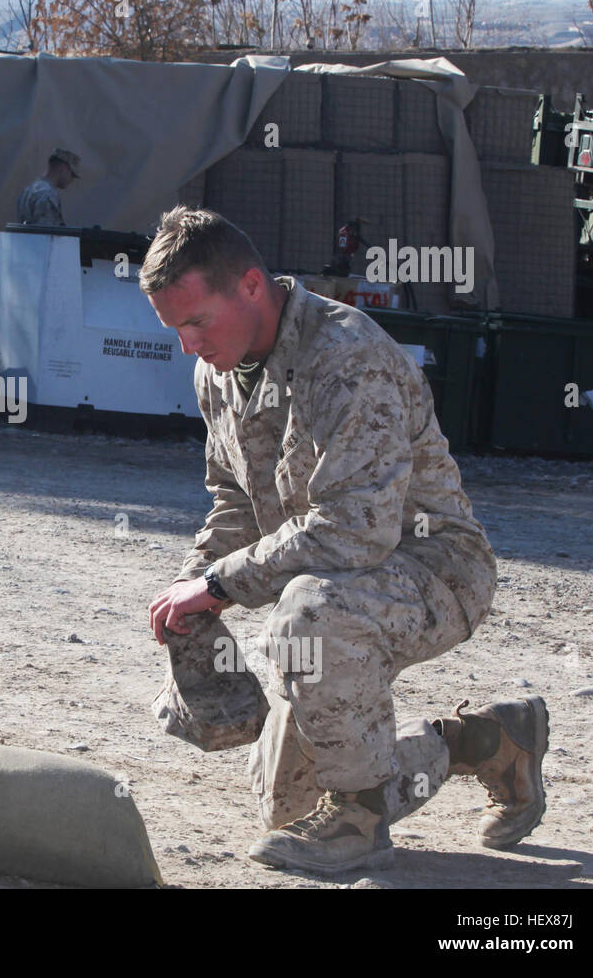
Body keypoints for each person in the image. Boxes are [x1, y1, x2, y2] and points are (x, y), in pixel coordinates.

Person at [142, 206, 548, 875]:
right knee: (287, 810)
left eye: (196, 321)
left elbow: (355, 529)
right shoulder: (219, 371)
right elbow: (236, 505)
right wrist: (192, 591)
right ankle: (483, 741)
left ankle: (359, 820)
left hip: (433, 568)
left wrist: (220, 585)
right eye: (173, 328)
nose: (188, 345)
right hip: (335, 579)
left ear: (249, 286)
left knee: (310, 612)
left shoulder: (346, 356)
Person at [16, 148, 80, 226]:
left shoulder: (29, 190)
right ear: (63, 168)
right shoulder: (48, 194)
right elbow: (47, 233)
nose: (72, 179)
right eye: (72, 174)